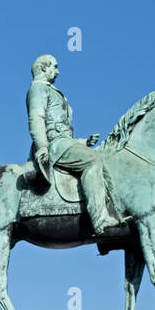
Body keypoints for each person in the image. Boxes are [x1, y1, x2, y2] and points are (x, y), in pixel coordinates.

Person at [26, 54, 120, 232]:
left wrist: (84, 142)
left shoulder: (49, 89)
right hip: (54, 144)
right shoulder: (38, 88)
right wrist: (42, 147)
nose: (58, 71)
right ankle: (100, 220)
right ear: (44, 68)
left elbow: (63, 131)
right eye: (54, 66)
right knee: (93, 161)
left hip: (62, 142)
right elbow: (36, 119)